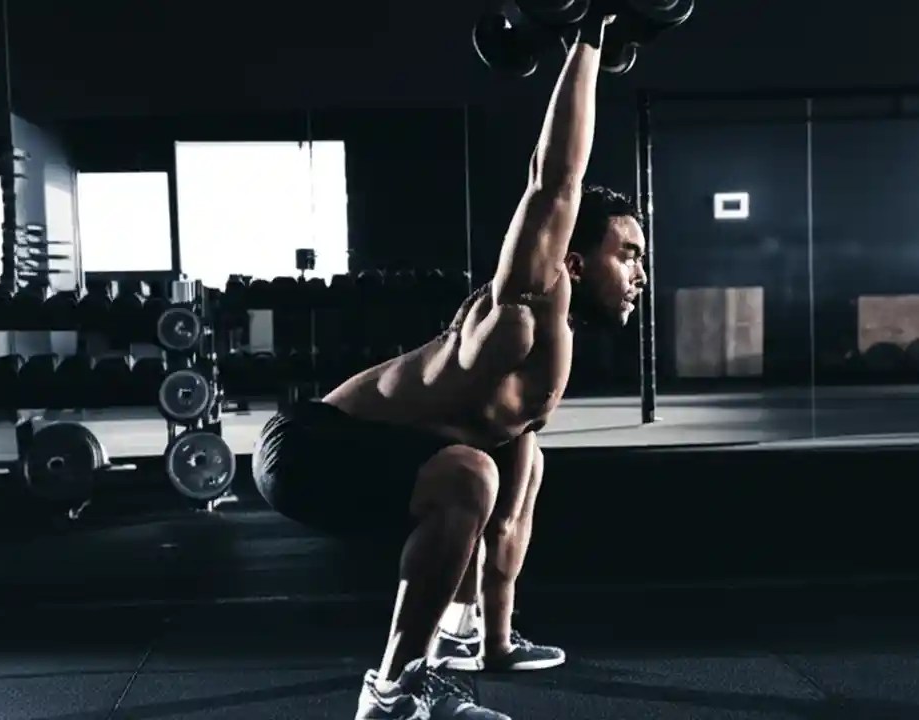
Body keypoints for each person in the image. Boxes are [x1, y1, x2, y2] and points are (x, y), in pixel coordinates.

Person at [252, 9, 646, 720]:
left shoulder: (547, 359)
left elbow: (512, 501)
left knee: (520, 460)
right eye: (628, 254)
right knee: (471, 473)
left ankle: (479, 639)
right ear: (573, 262)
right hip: (307, 449)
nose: (640, 273)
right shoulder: (522, 311)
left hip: (381, 447)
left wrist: (498, 636)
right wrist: (588, 36)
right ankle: (392, 692)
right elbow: (555, 181)